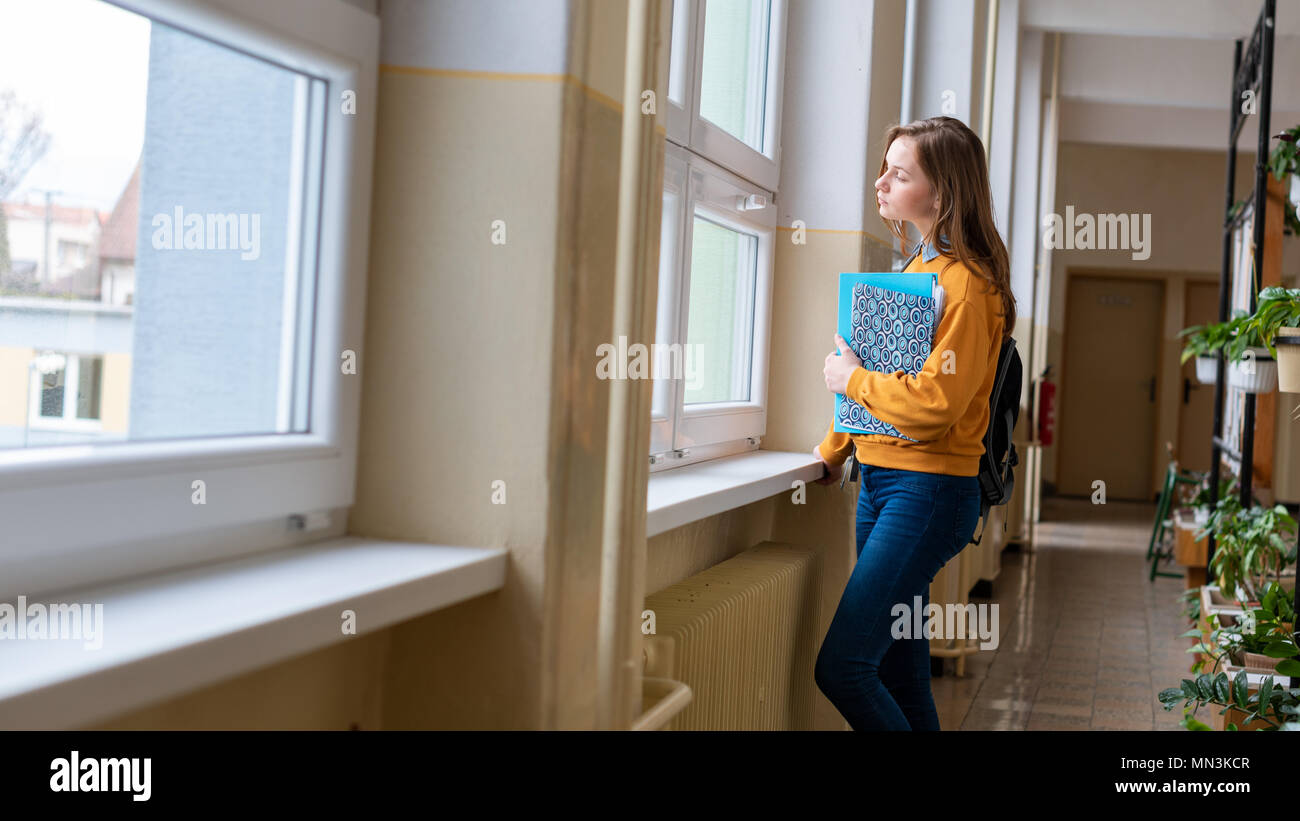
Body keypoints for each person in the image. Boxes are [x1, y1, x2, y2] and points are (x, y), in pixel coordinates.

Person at [810, 116, 1017, 731]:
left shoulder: (970, 287)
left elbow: (931, 407)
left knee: (842, 668)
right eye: (884, 170)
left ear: (943, 192)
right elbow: (874, 380)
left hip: (927, 493)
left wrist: (851, 380)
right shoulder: (912, 271)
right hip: (878, 484)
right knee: (900, 672)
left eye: (899, 174)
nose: (881, 184)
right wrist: (832, 451)